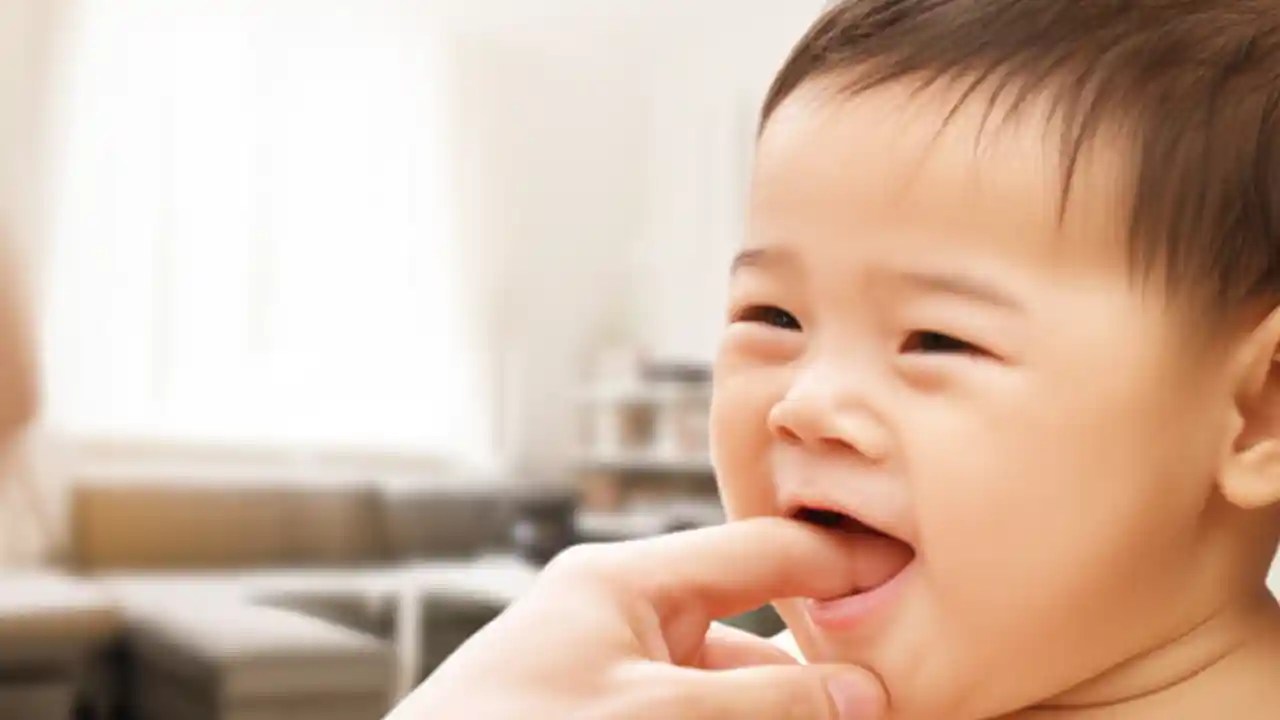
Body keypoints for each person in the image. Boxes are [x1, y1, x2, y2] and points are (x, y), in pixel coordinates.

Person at [388, 1, 1280, 718]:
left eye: (937, 338)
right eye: (772, 316)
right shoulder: (723, 697)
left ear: (1259, 413)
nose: (804, 405)